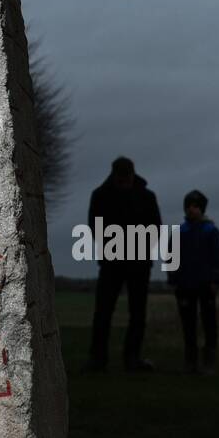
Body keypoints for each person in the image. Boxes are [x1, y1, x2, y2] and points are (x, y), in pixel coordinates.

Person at [85, 156, 161, 373]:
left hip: (136, 262)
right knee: (103, 312)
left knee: (136, 313)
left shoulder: (146, 196)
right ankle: (99, 359)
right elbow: (95, 227)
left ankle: (131, 358)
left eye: (126, 180)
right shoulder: (100, 196)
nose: (124, 184)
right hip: (114, 262)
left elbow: (155, 227)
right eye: (121, 180)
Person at [168, 189, 219, 374]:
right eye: (188, 206)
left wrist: (216, 280)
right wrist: (173, 279)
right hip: (184, 285)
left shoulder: (211, 231)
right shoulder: (179, 232)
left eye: (195, 206)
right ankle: (190, 361)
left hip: (206, 284)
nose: (191, 209)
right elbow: (171, 257)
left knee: (209, 322)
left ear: (202, 209)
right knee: (188, 324)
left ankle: (209, 361)